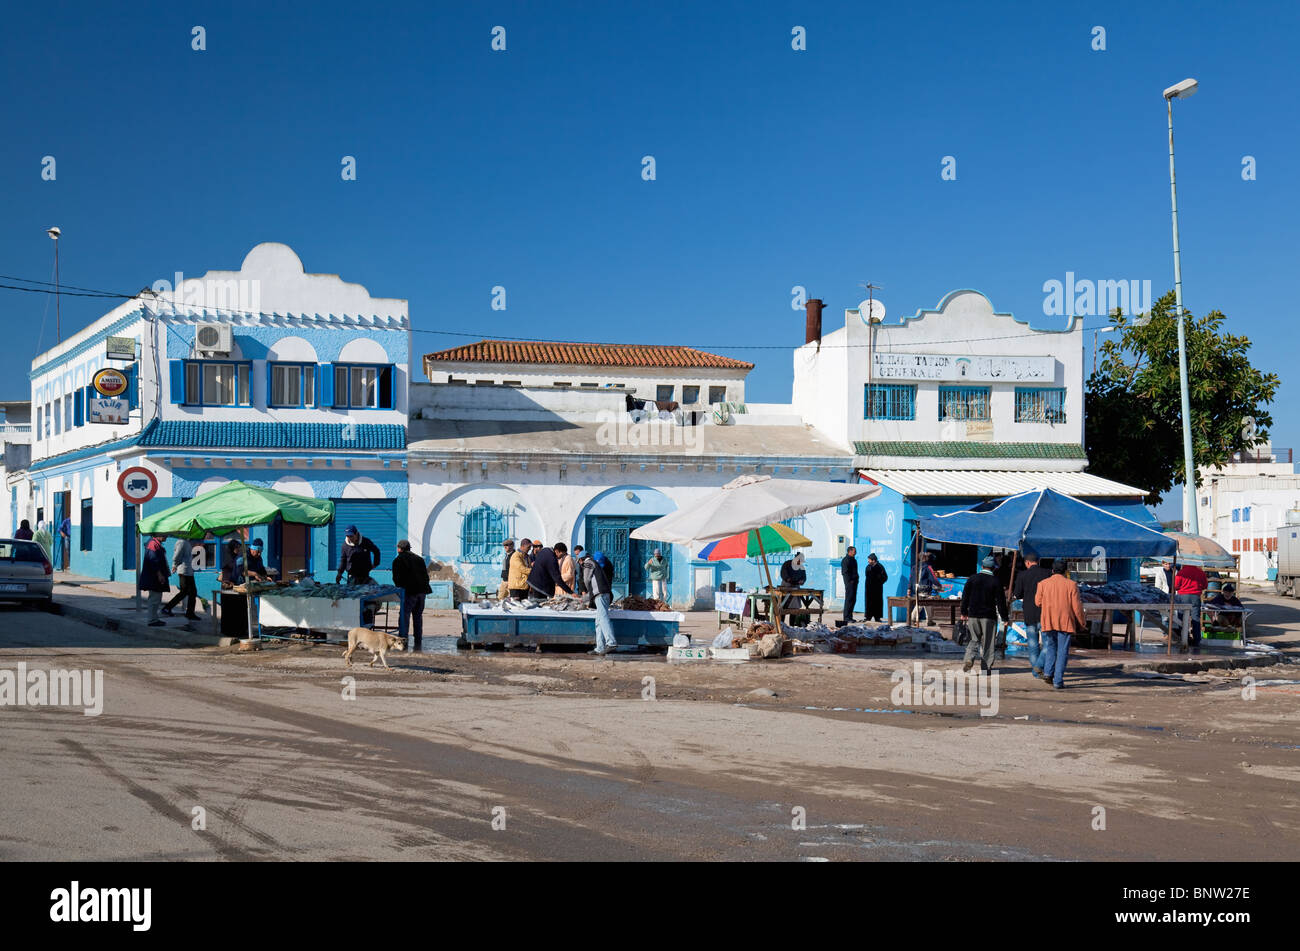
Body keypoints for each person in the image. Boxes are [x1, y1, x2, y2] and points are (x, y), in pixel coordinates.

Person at [1035, 561, 1088, 689]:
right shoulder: (1071, 584)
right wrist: (1082, 622)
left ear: (1052, 571)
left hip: (1048, 621)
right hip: (1065, 622)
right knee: (1063, 651)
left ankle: (1048, 672)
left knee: (1051, 647)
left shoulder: (1042, 584)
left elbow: (1037, 602)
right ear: (1065, 572)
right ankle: (1058, 681)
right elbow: (1077, 607)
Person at [960, 555, 1008, 673]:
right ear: (994, 568)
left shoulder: (972, 578)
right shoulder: (996, 581)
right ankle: (986, 667)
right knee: (988, 642)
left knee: (974, 639)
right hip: (988, 616)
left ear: (982, 566)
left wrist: (963, 612)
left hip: (973, 615)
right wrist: (1004, 617)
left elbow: (965, 597)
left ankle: (968, 659)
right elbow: (1001, 602)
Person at [1011, 550, 1052, 677]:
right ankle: (1038, 668)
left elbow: (1017, 594)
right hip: (1044, 613)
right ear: (1038, 561)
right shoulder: (1047, 573)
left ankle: (1036, 671)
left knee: (1033, 645)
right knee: (1048, 644)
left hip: (1029, 613)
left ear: (1027, 563)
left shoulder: (1022, 575)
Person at [392, 539, 432, 648]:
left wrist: (400, 590)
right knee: (418, 616)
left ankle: (403, 640)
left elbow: (397, 579)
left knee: (405, 616)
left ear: (399, 549)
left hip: (409, 593)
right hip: (422, 592)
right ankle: (418, 640)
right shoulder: (419, 559)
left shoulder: (398, 560)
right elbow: (426, 577)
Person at [581, 549, 617, 654]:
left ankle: (611, 642)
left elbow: (586, 579)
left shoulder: (587, 562)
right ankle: (600, 648)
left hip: (600, 594)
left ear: (581, 560)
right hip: (604, 594)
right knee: (599, 621)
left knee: (603, 618)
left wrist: (587, 591)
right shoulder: (597, 564)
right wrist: (586, 597)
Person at [1174, 561, 1209, 653]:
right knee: (1196, 618)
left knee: (1181, 618)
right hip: (1195, 597)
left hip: (1182, 596)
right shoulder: (1200, 572)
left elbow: (1176, 586)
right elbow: (1205, 585)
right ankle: (1197, 640)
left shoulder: (1181, 572)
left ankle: (1183, 638)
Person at [162, 536, 200, 620]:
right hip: (184, 571)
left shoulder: (187, 542)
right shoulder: (181, 542)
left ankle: (189, 613)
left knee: (192, 592)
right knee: (185, 591)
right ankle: (167, 608)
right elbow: (176, 556)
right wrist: (174, 565)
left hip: (188, 571)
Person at [139, 536, 171, 627]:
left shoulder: (156, 544)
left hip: (155, 577)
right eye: (164, 535)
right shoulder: (153, 544)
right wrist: (160, 575)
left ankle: (154, 618)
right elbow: (153, 561)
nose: (166, 537)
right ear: (158, 534)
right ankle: (152, 620)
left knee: (156, 598)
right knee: (154, 599)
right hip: (154, 578)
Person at [780, 552, 809, 626]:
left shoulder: (801, 567)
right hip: (786, 586)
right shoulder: (787, 564)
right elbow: (783, 573)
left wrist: (802, 581)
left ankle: (792, 625)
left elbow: (804, 577)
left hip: (796, 588)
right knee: (783, 607)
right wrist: (788, 579)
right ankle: (781, 624)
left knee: (794, 608)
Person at [864, 553, 889, 623]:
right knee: (868, 603)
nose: (868, 561)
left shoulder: (880, 567)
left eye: (869, 560)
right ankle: (868, 617)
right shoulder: (868, 567)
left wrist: (878, 582)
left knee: (877, 603)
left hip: (877, 589)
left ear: (873, 560)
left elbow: (885, 577)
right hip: (869, 589)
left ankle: (877, 617)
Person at [840, 546, 859, 623]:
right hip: (849, 583)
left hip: (854, 583)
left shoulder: (853, 560)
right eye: (854, 551)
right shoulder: (846, 560)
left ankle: (850, 616)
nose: (855, 552)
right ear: (850, 551)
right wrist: (849, 581)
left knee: (853, 600)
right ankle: (846, 617)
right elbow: (845, 572)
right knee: (849, 599)